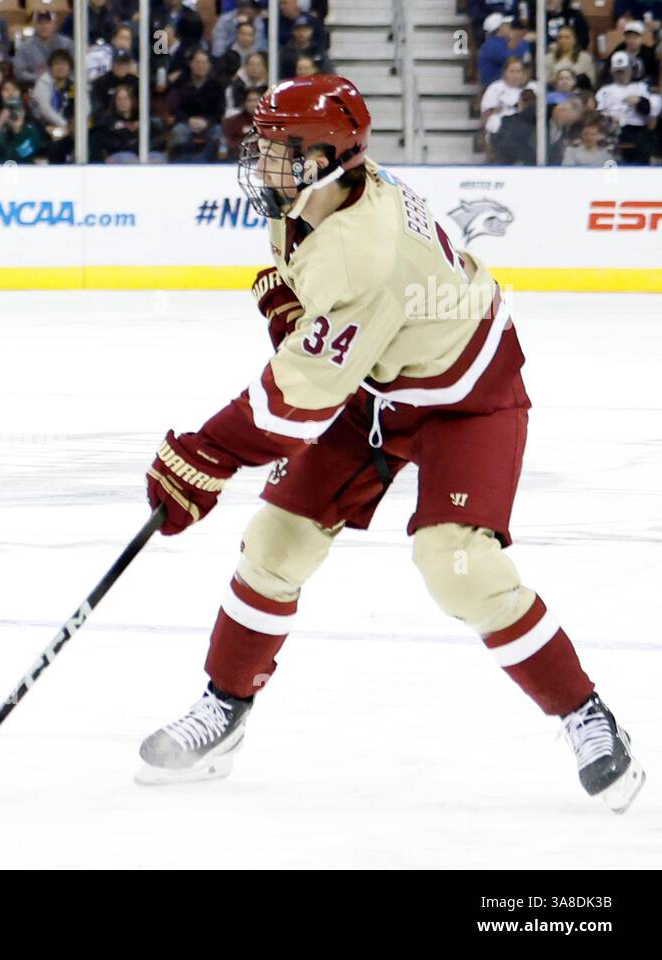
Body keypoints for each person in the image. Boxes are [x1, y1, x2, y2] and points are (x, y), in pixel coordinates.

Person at [136, 75, 644, 814]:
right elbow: (333, 336)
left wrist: (206, 456)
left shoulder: (358, 249)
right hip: (380, 382)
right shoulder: (321, 196)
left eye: (279, 151)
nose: (264, 165)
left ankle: (584, 715)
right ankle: (226, 708)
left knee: (460, 567)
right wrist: (296, 319)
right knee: (275, 543)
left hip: (464, 396)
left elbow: (292, 402)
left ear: (324, 158)